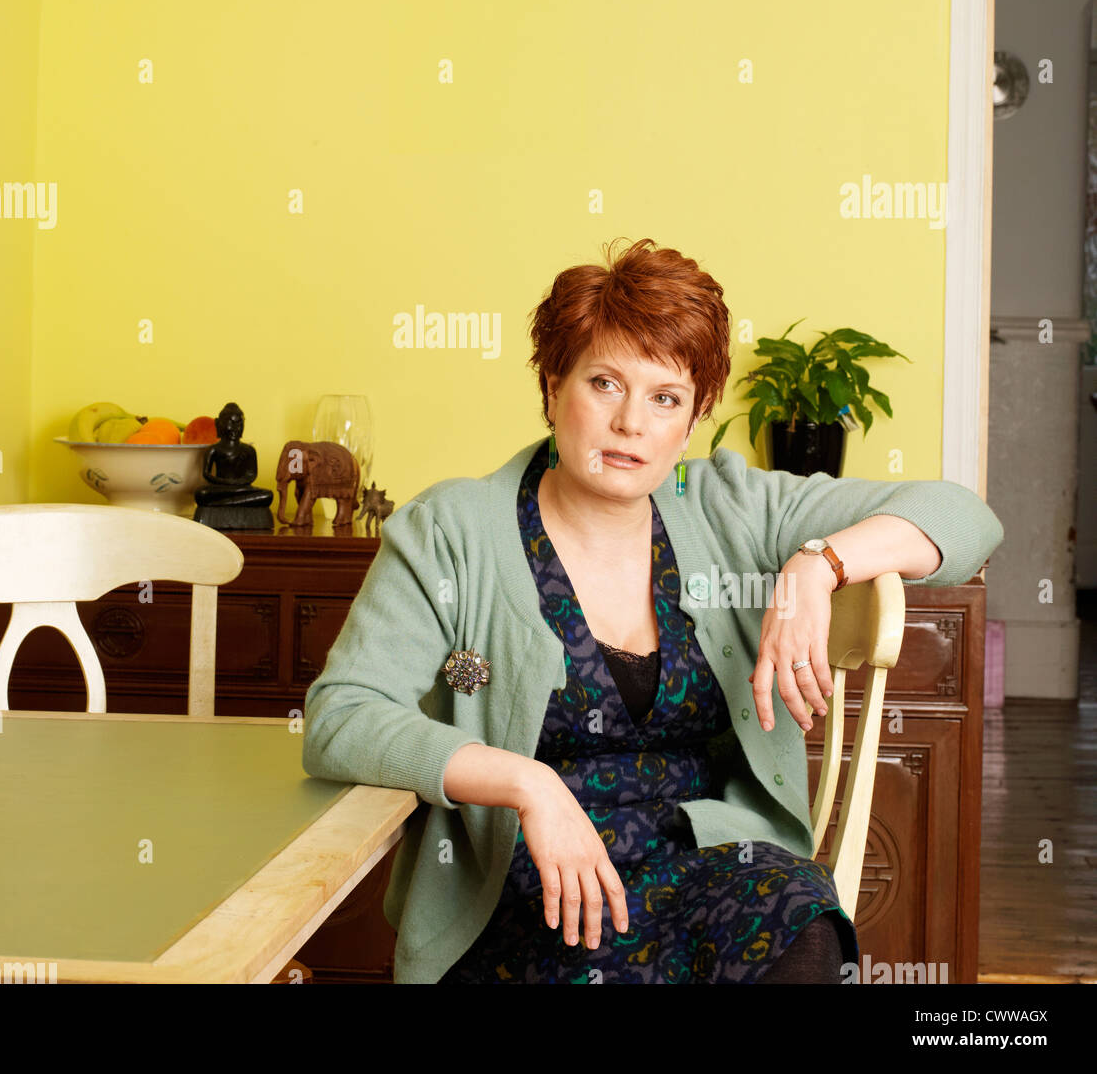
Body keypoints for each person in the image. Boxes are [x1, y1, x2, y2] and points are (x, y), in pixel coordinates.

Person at [302, 238, 1005, 984]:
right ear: (551, 387)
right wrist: (525, 783)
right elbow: (342, 716)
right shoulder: (451, 530)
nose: (631, 422)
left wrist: (819, 565)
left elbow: (964, 518)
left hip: (706, 869)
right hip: (530, 889)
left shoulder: (728, 506)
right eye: (604, 383)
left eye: (665, 398)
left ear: (695, 415)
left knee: (801, 921)